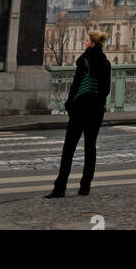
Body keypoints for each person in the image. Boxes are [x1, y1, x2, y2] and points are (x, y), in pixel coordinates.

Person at [45, 31, 112, 198]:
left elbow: (76, 85)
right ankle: (85, 187)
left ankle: (60, 187)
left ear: (92, 44)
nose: (85, 42)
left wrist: (70, 105)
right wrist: (97, 103)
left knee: (69, 149)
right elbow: (105, 90)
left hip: (81, 110)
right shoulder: (106, 63)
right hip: (96, 111)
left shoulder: (84, 60)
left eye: (87, 40)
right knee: (90, 148)